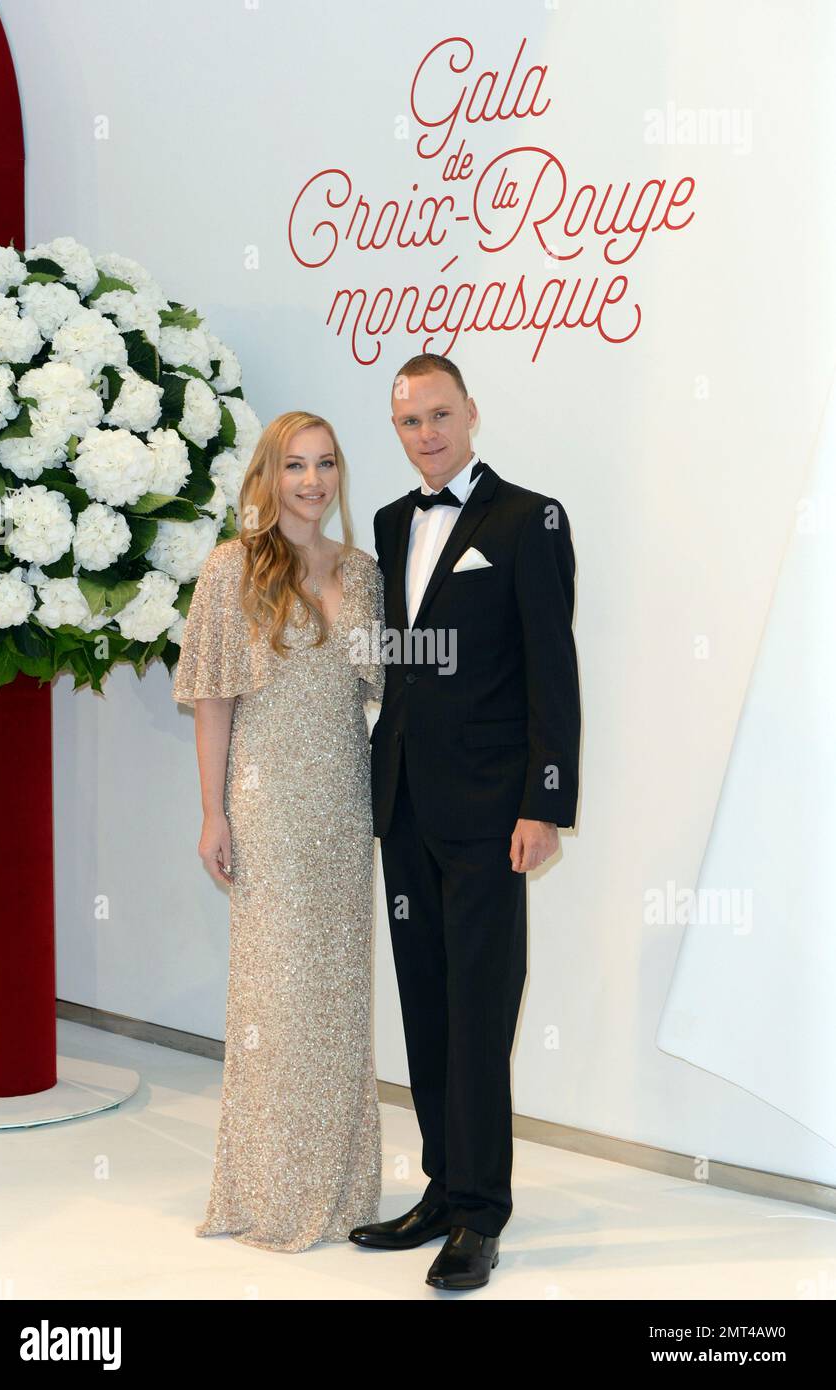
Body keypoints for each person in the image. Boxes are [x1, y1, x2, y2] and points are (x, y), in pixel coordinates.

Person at [349, 354, 581, 1290]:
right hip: (405, 804)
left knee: (481, 1011)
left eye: (440, 416)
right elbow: (403, 670)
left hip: (493, 815)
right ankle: (443, 1187)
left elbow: (551, 670)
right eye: (410, 423)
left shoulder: (531, 519)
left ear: (472, 414)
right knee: (427, 1003)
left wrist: (546, 802)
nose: (427, 435)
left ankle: (483, 1215)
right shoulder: (391, 520)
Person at [172, 410, 384, 1252]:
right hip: (264, 803)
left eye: (325, 464)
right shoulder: (231, 570)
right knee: (276, 996)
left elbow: (388, 690)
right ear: (268, 476)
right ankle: (269, 1191)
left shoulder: (364, 572)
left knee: (337, 1000)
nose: (312, 481)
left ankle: (338, 1193)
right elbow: (213, 700)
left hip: (344, 803)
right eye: (294, 465)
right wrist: (213, 811)